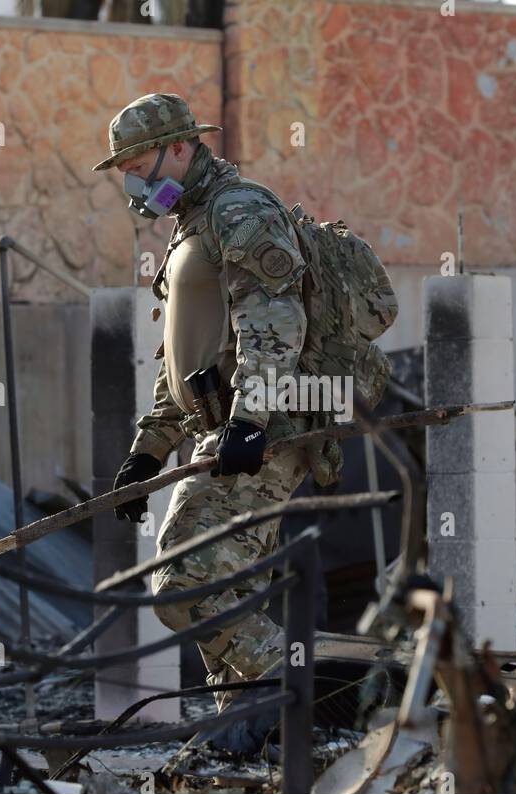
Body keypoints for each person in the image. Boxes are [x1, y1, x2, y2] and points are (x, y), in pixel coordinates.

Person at [94, 93, 319, 713]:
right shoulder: (190, 226)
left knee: (183, 585)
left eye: (141, 167)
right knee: (228, 591)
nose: (136, 184)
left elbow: (274, 320)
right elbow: (186, 361)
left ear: (181, 147)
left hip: (266, 429)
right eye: (128, 174)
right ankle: (253, 733)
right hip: (220, 427)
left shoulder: (238, 210)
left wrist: (249, 421)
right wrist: (148, 455)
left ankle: (314, 695)